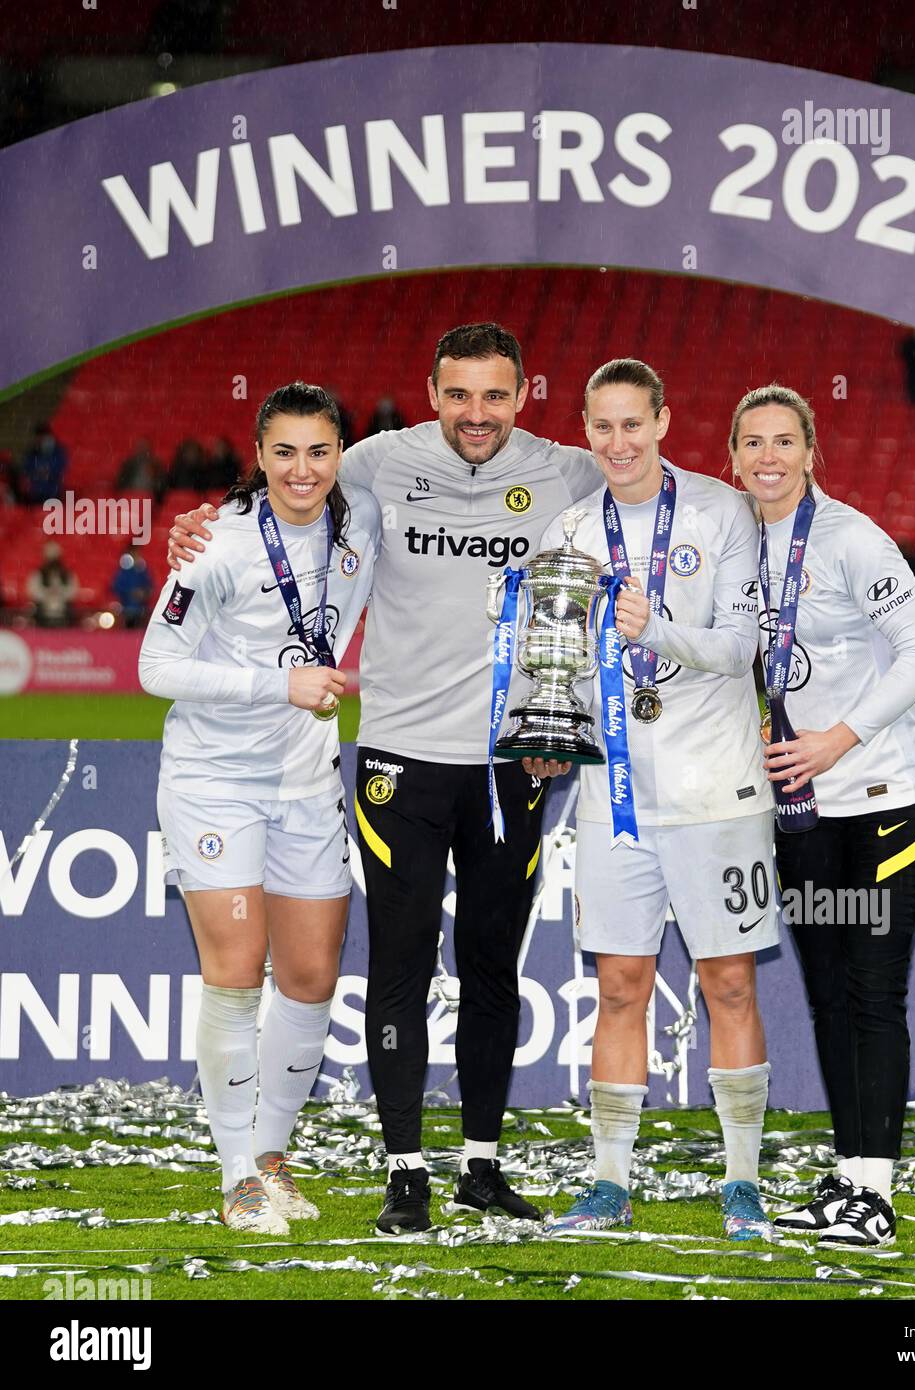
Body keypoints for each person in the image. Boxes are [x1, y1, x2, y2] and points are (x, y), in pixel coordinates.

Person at [166, 324, 601, 1235]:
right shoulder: (372, 467)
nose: (475, 414)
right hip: (395, 758)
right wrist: (189, 528)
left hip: (507, 760)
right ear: (431, 391)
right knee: (390, 968)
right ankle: (395, 1172)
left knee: (487, 969)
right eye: (457, 394)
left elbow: (654, 498)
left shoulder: (567, 469)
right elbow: (282, 498)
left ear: (524, 394)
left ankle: (480, 1165)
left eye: (494, 396)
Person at [533, 360, 778, 1240]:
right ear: (586, 429)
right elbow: (554, 664)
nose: (619, 444)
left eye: (633, 425)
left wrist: (655, 628)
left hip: (717, 786)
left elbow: (742, 644)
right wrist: (547, 739)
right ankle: (608, 1181)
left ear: (664, 421)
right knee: (622, 983)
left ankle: (742, 1182)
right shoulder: (568, 531)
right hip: (614, 794)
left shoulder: (720, 512)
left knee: (729, 985)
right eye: (602, 427)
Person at [140, 382, 381, 1233]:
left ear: (341, 454)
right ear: (259, 454)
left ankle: (272, 1159)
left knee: (312, 977)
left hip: (308, 779)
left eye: (319, 450)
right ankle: (236, 1175)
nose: (302, 469)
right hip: (214, 779)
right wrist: (278, 684)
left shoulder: (365, 528)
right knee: (237, 970)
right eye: (284, 451)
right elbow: (155, 668)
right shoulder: (216, 544)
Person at [730, 384, 915, 1248]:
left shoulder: (853, 539)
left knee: (872, 991)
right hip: (803, 807)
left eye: (785, 441)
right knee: (824, 994)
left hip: (885, 798)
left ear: (811, 451)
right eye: (753, 443)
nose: (769, 458)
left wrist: (837, 740)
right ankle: (848, 1176)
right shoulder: (739, 543)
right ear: (734, 457)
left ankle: (878, 1194)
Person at [27, 541, 78, 626]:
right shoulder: (38, 574)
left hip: (63, 608)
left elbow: (72, 592)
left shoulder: (67, 574)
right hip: (43, 609)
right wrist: (47, 595)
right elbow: (32, 591)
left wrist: (60, 594)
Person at [17, 423, 68, 505]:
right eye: (39, 437)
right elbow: (25, 470)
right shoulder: (32, 453)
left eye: (43, 437)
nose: (40, 440)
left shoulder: (58, 452)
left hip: (52, 494)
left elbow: (59, 469)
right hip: (33, 495)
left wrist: (43, 471)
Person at [111, 543, 155, 627]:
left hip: (142, 607)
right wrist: (130, 593)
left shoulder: (143, 571)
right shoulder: (123, 571)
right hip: (126, 605)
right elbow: (117, 587)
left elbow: (150, 587)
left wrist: (144, 593)